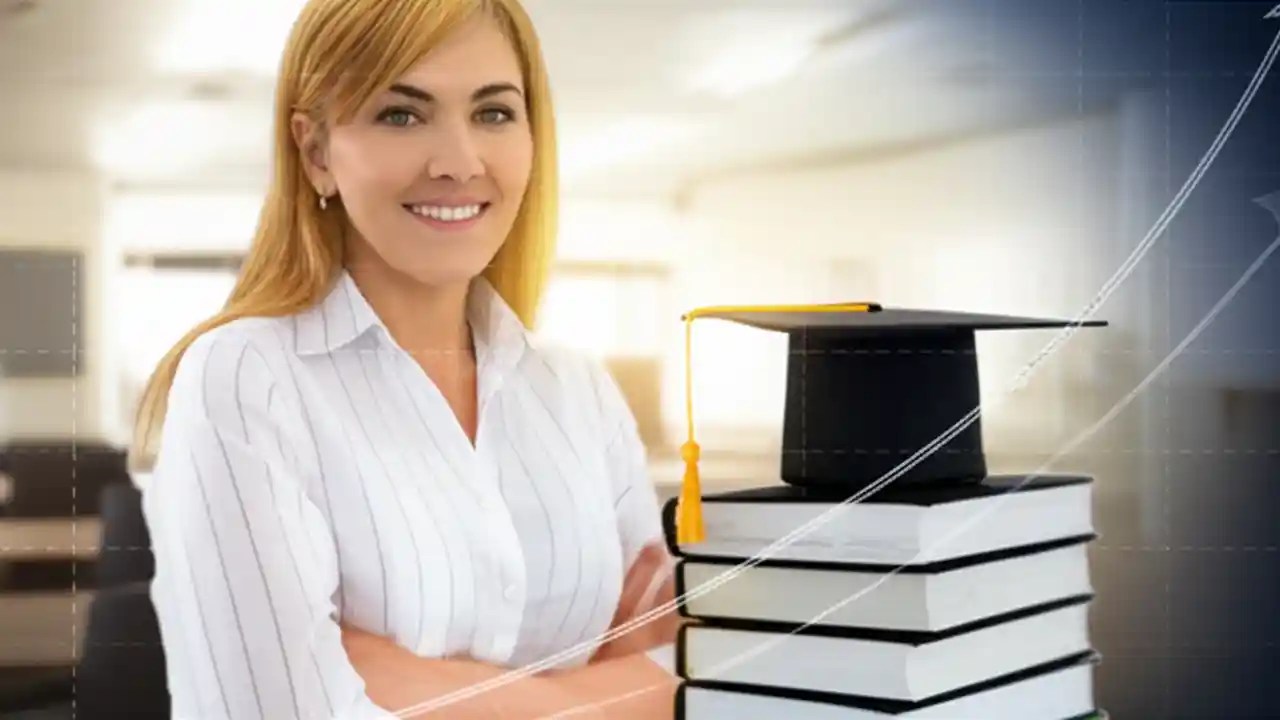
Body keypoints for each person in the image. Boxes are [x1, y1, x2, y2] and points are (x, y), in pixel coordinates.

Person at [128, 0, 681, 717]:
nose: (459, 163)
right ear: (316, 153)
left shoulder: (577, 391)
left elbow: (687, 675)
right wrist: (611, 694)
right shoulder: (244, 376)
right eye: (400, 114)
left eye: (493, 113)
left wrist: (387, 676)